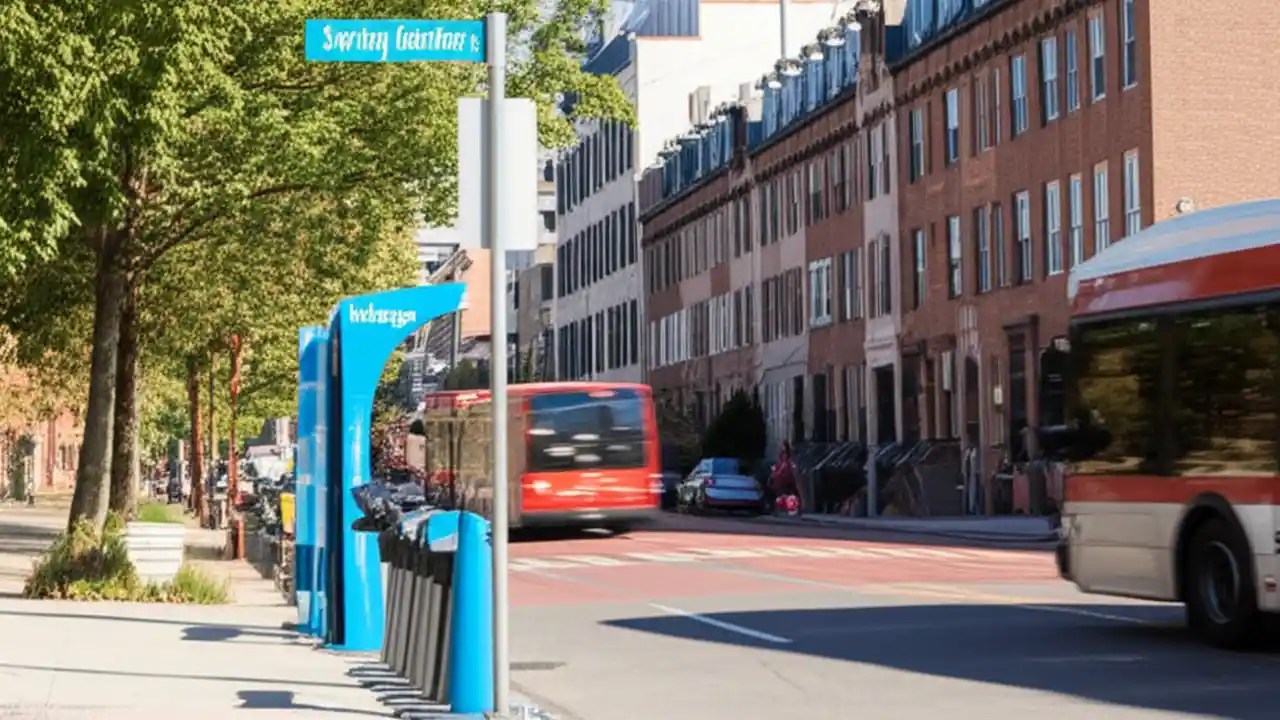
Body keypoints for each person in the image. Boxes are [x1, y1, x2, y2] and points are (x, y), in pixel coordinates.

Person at [768, 442, 802, 513]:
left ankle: (796, 508)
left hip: (787, 479)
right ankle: (779, 508)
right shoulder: (782, 462)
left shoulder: (788, 462)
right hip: (782, 480)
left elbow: (786, 469)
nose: (784, 455)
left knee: (792, 493)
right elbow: (777, 470)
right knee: (780, 493)